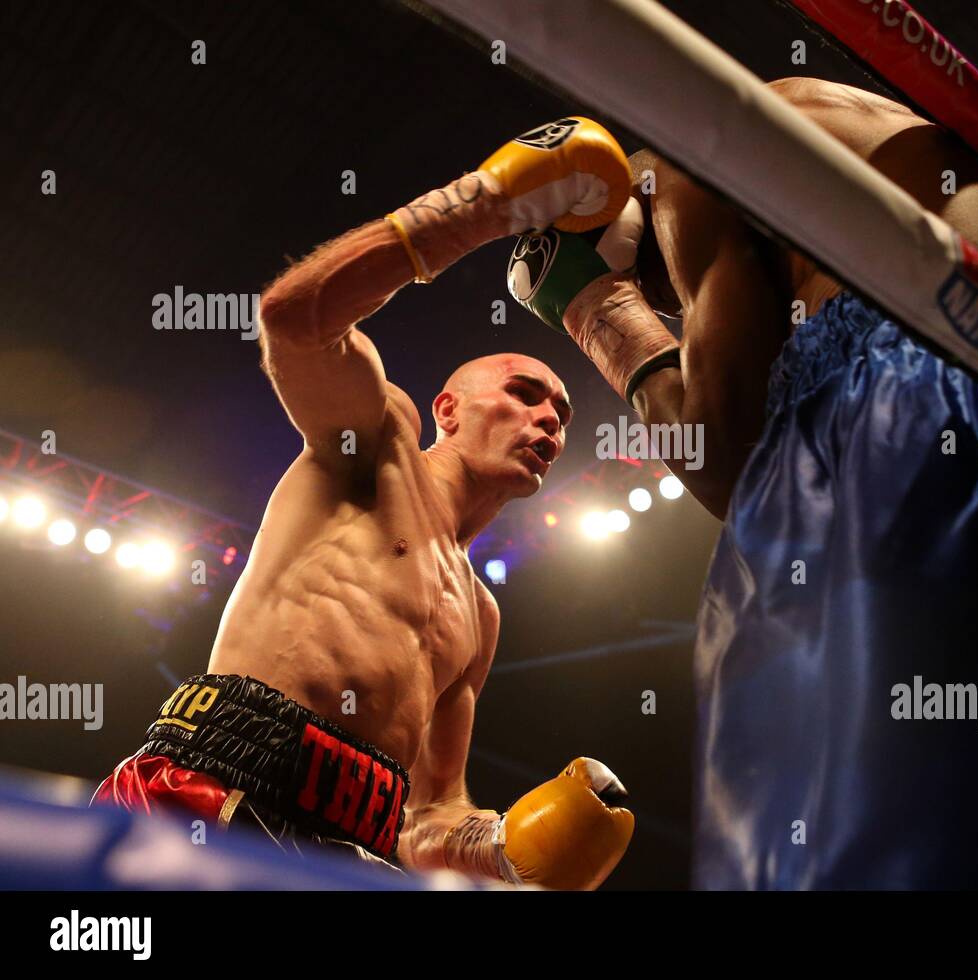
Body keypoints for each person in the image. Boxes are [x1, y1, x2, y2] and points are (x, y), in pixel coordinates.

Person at [511, 78, 978, 888]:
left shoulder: (680, 159)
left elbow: (734, 461)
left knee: (861, 834)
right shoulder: (922, 144)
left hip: (919, 411)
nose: (676, 311)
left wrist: (602, 316)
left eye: (667, 298)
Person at [94, 117, 636, 889]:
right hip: (206, 791)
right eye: (523, 393)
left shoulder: (479, 619)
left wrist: (508, 844)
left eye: (561, 414)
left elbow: (428, 816)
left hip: (348, 849)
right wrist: (484, 205)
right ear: (449, 408)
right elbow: (296, 321)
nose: (549, 417)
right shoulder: (380, 447)